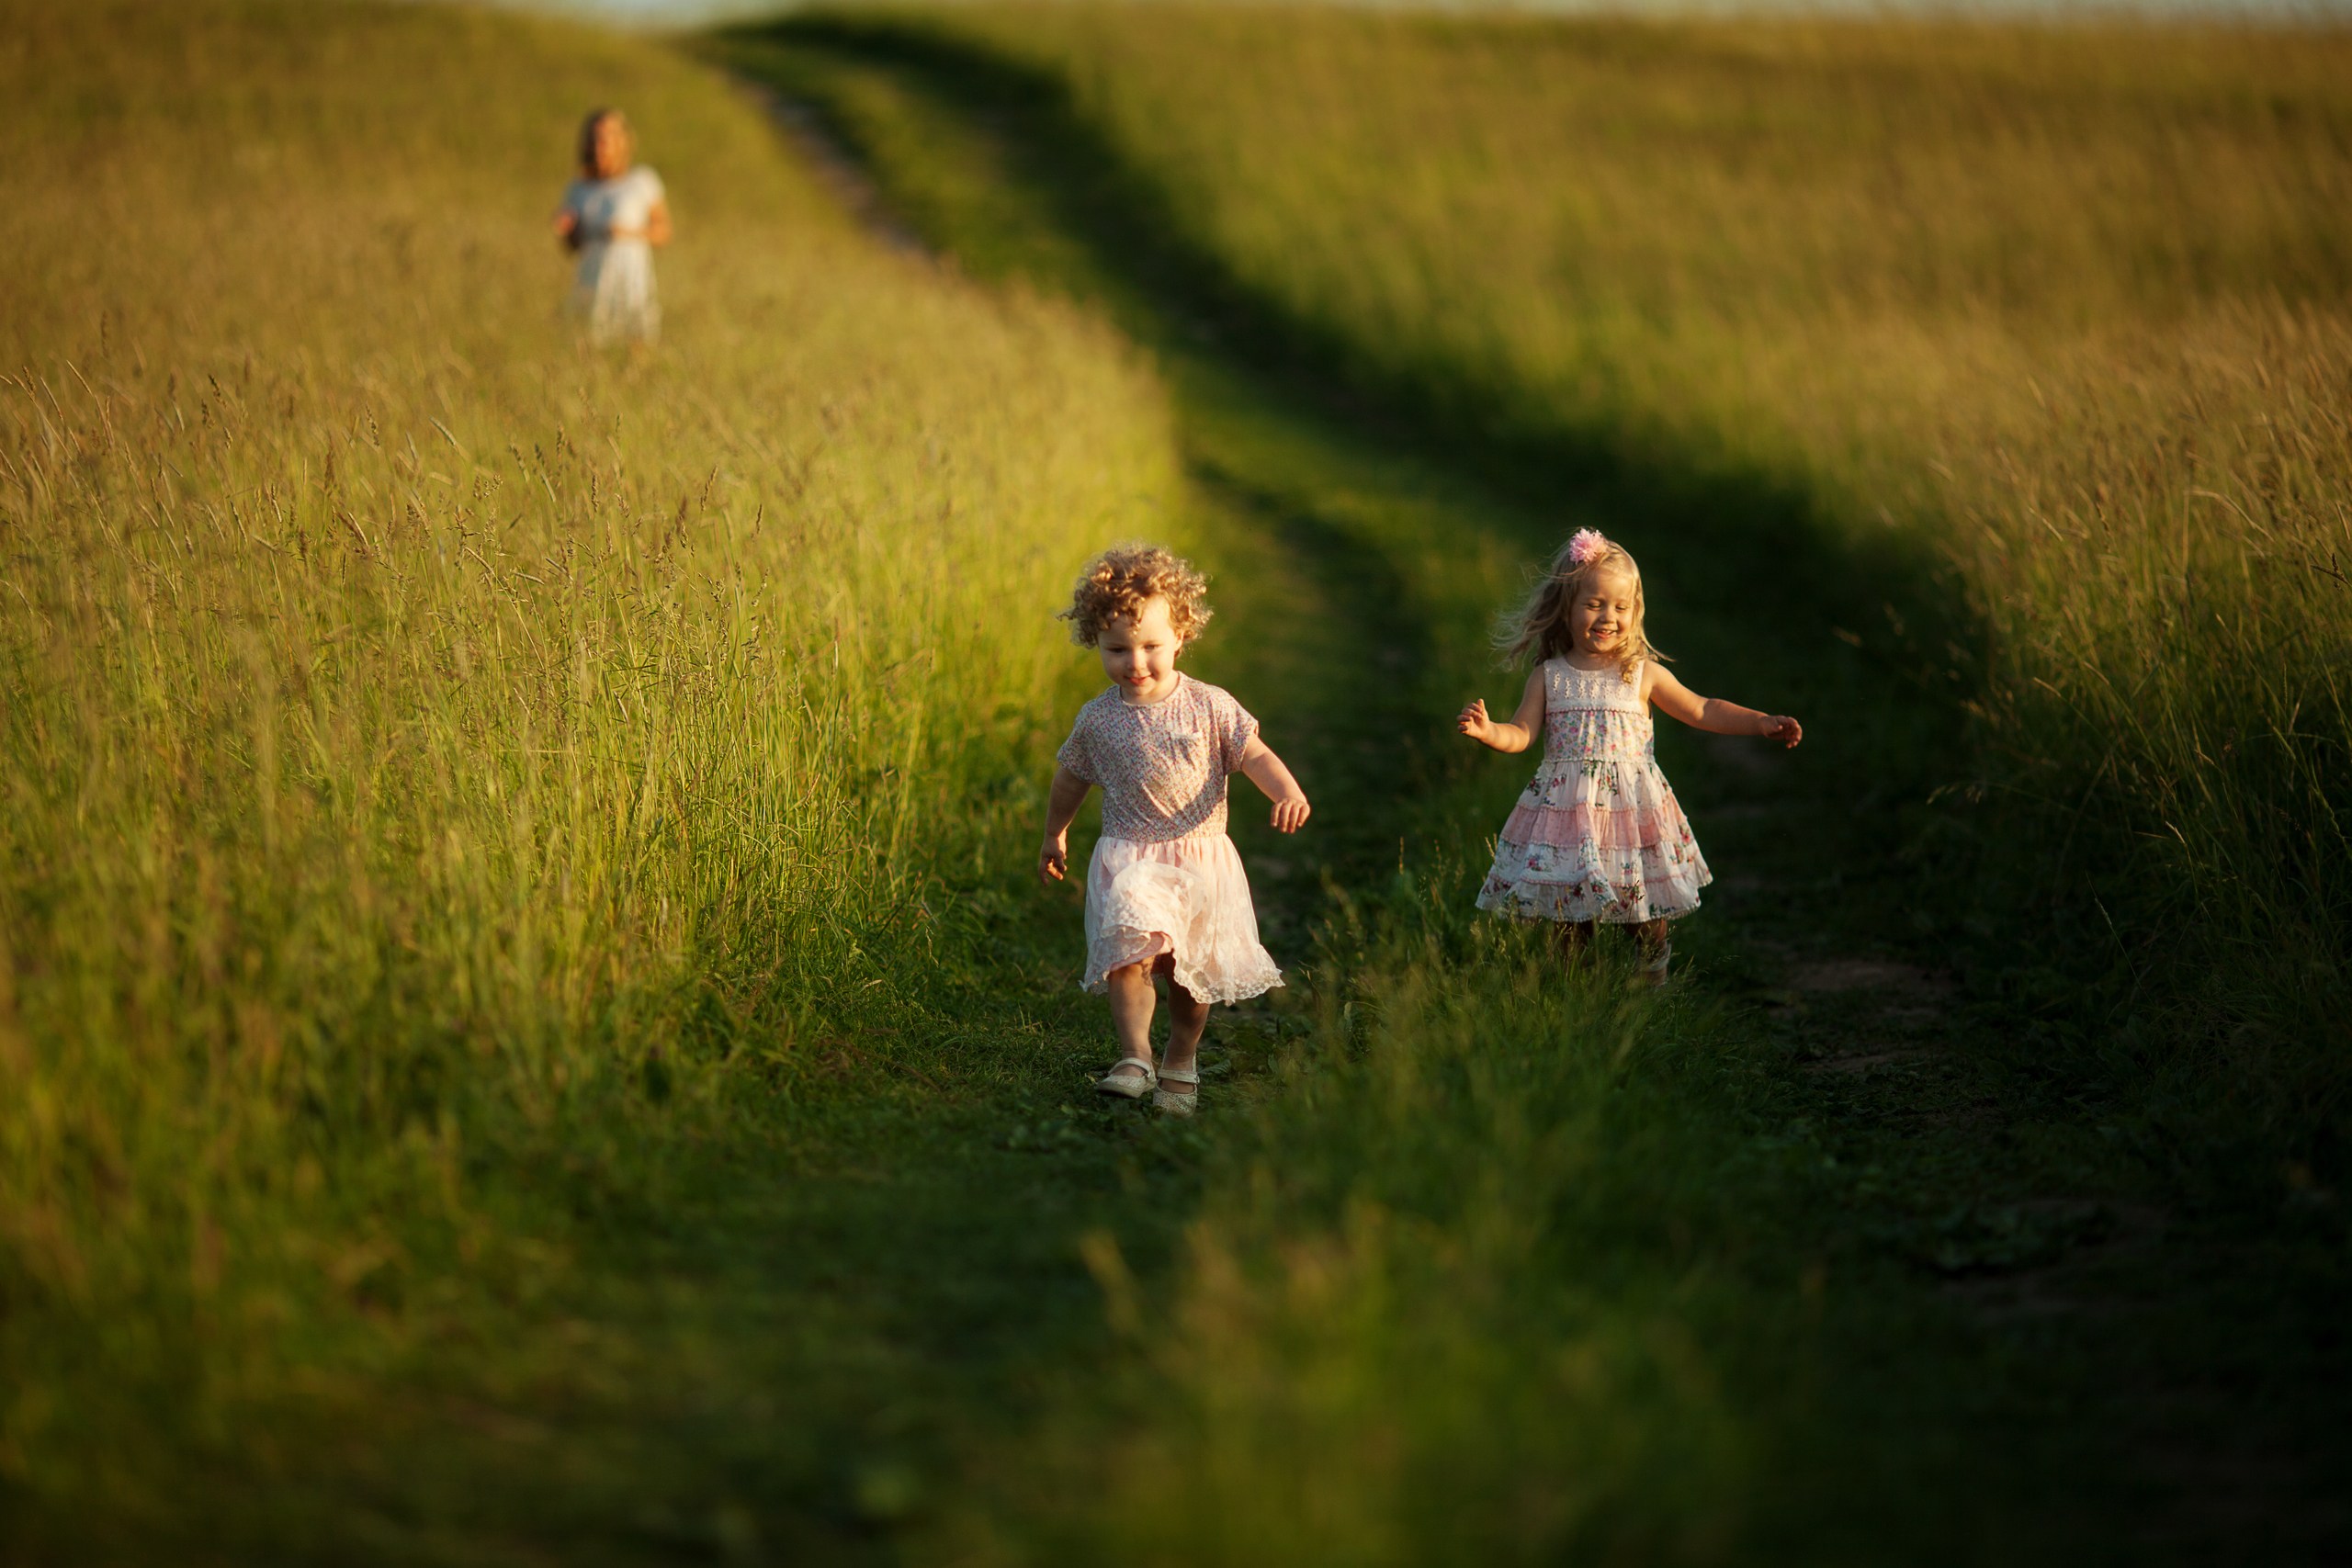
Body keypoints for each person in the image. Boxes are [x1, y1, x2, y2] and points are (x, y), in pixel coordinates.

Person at [1456, 527, 1801, 985]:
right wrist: (1489, 731)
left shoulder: (1642, 674)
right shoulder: (1549, 677)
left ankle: (1650, 975)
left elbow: (1702, 709)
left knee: (1644, 910)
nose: (1608, 616)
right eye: (1594, 604)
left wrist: (1759, 722)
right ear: (1567, 608)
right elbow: (1521, 733)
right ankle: (1577, 991)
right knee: (1569, 911)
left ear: (1635, 611)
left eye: (1620, 606)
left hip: (1631, 813)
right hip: (1567, 815)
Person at [1039, 545, 1311, 1116]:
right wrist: (1055, 833)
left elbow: (1254, 754)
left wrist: (1286, 789)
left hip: (1200, 858)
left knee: (1192, 976)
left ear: (1180, 636)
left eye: (1150, 647)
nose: (1135, 663)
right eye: (1117, 650)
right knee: (1130, 958)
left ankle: (1180, 1059)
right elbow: (1071, 779)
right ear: (1097, 645)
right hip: (1129, 857)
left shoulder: (1210, 706)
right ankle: (1134, 1056)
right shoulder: (1097, 718)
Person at [553, 108, 671, 345]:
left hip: (632, 282)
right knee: (588, 345)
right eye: (595, 137)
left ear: (623, 140)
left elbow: (663, 232)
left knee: (636, 347)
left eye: (607, 136)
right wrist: (568, 230)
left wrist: (629, 234)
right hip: (591, 282)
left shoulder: (642, 181)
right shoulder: (578, 188)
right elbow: (572, 247)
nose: (601, 144)